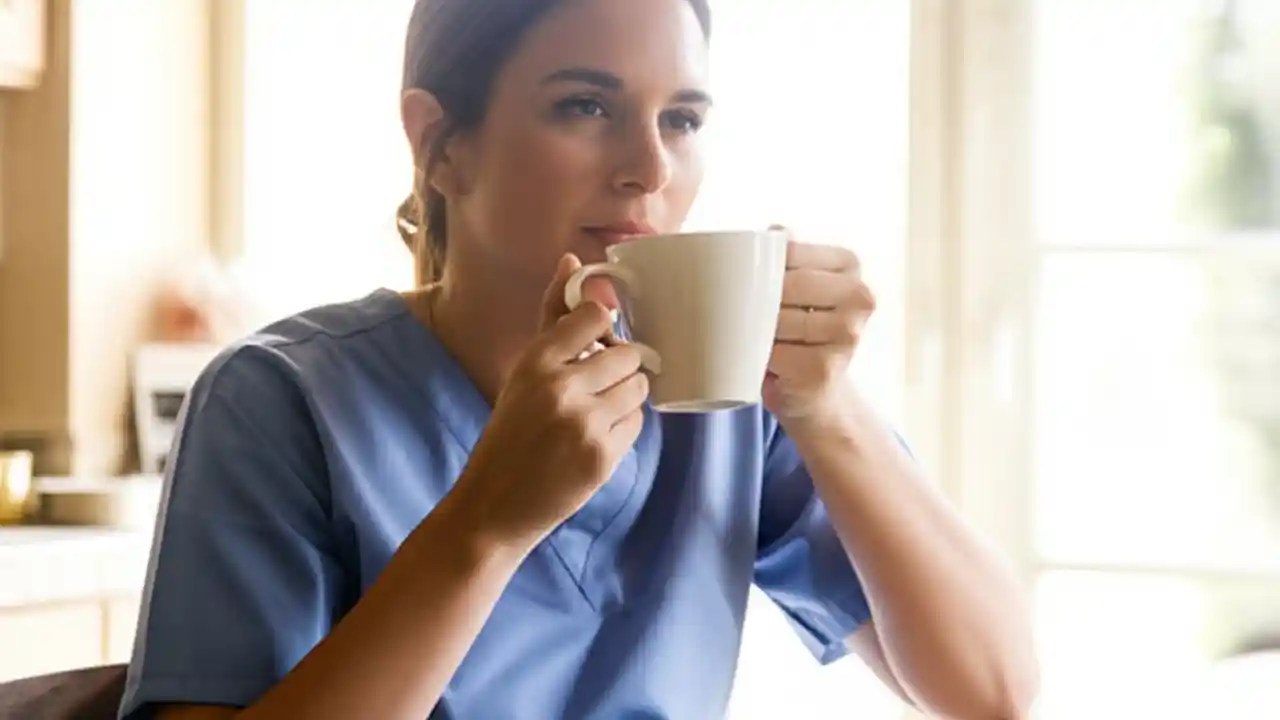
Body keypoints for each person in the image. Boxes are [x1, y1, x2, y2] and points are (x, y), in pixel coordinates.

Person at [120, 0, 1039, 718]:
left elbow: (991, 690)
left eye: (681, 119)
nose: (649, 167)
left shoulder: (728, 400)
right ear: (439, 144)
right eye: (586, 105)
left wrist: (827, 410)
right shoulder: (281, 398)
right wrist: (487, 525)